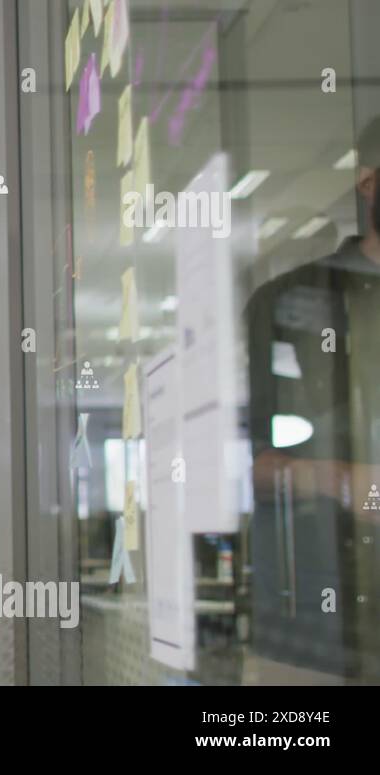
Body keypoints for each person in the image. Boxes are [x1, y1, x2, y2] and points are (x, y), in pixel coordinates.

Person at [245, 116, 380, 681]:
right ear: (369, 182)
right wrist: (349, 482)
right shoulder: (291, 303)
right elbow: (256, 467)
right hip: (322, 640)